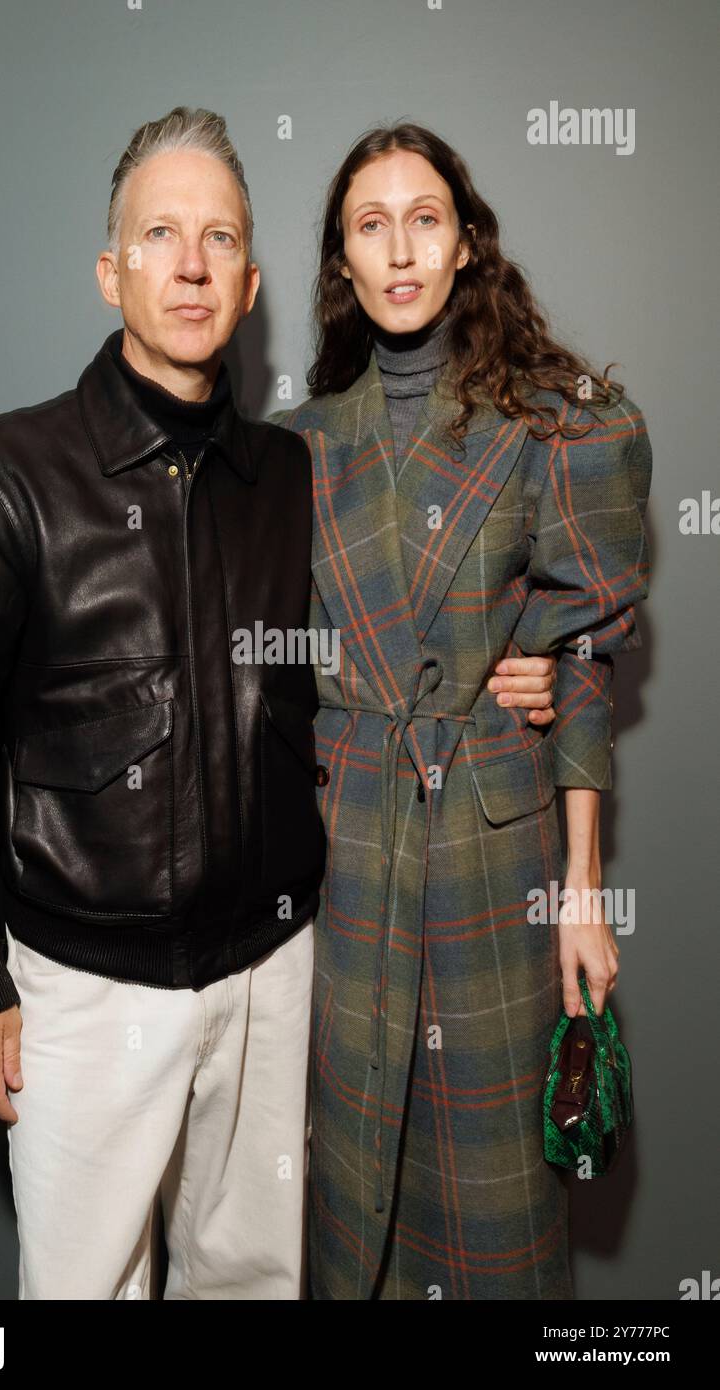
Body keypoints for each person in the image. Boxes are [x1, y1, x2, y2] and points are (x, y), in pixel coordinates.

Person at [0, 105, 557, 1301]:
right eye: (160, 235)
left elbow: (380, 645)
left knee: (249, 1286)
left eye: (219, 239)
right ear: (112, 270)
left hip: (273, 973)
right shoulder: (10, 471)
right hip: (84, 991)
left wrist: (526, 659)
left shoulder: (292, 472)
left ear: (251, 286)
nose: (190, 264)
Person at [267, 121, 651, 1300]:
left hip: (495, 863)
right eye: (369, 226)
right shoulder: (297, 445)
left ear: (467, 243)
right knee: (352, 1184)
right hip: (350, 854)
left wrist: (584, 899)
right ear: (341, 259)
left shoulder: (553, 423)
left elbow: (583, 655)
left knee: (491, 1206)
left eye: (423, 219)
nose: (398, 250)